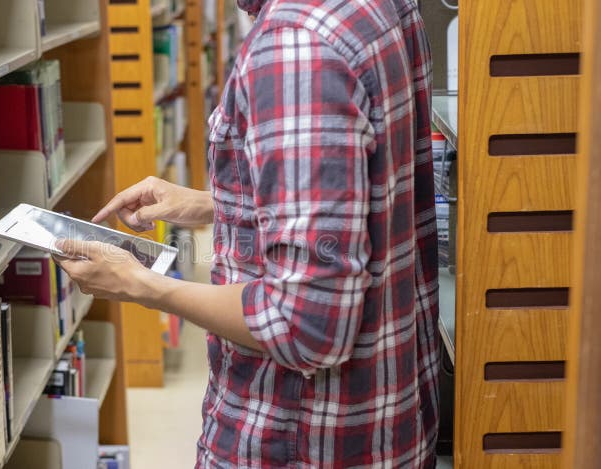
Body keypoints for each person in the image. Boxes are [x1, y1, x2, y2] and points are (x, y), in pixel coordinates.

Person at [55, 0, 440, 466]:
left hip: (300, 436)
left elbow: (304, 324)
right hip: (381, 420)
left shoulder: (297, 43)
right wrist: (219, 203)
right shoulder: (373, 8)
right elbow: (368, 196)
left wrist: (142, 285)